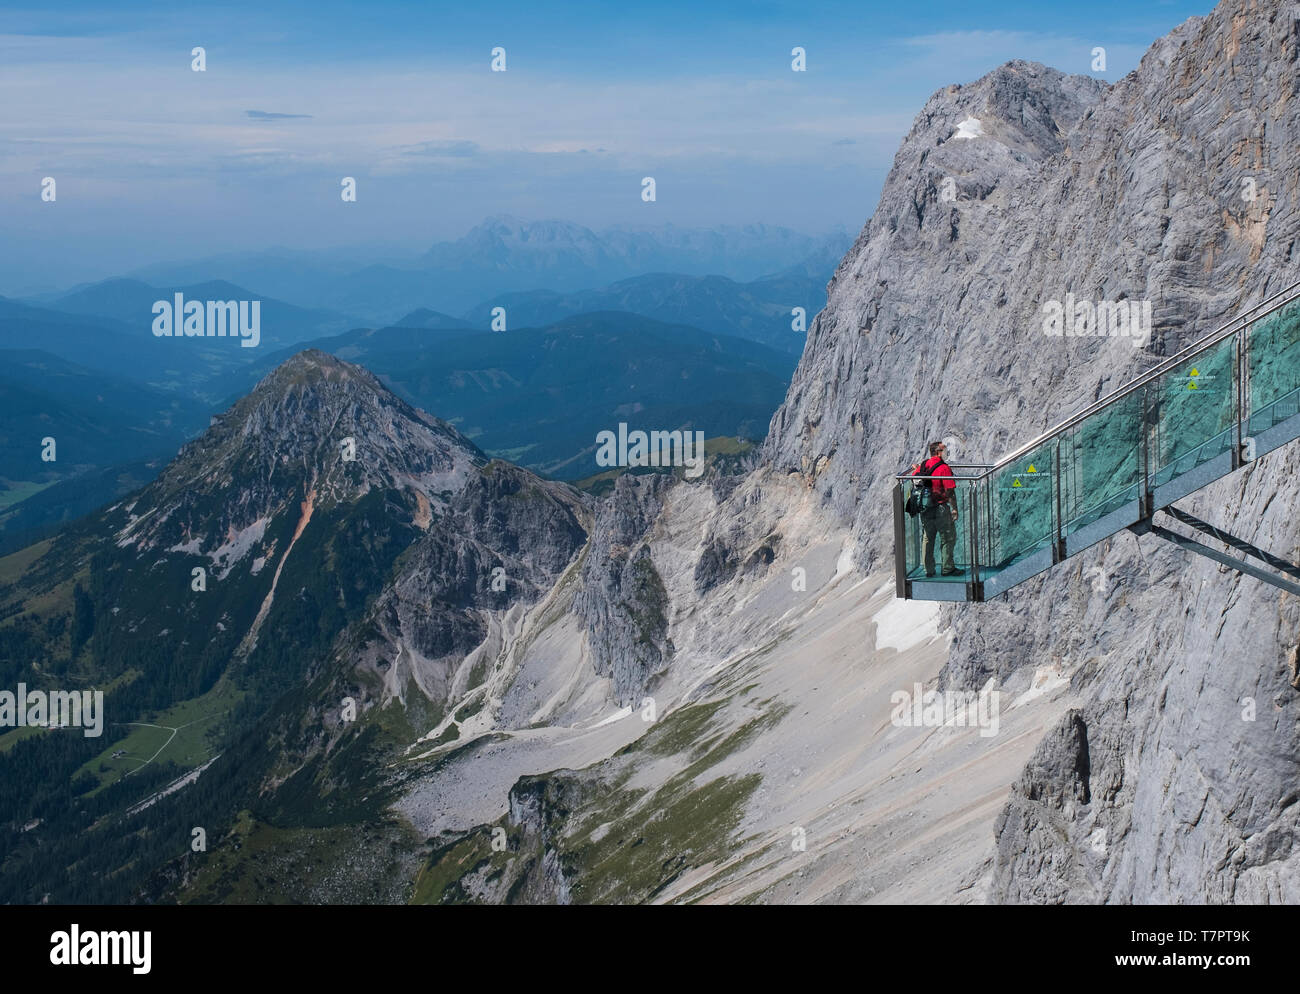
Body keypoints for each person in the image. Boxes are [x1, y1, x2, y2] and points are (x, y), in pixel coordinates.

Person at [910, 441, 960, 577]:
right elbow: (949, 490)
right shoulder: (944, 468)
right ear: (939, 452)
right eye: (944, 450)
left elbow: (914, 477)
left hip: (925, 507)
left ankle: (929, 570)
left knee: (928, 537)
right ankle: (947, 568)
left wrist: (916, 468)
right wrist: (954, 508)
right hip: (940, 507)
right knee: (948, 537)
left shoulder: (924, 464)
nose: (946, 452)